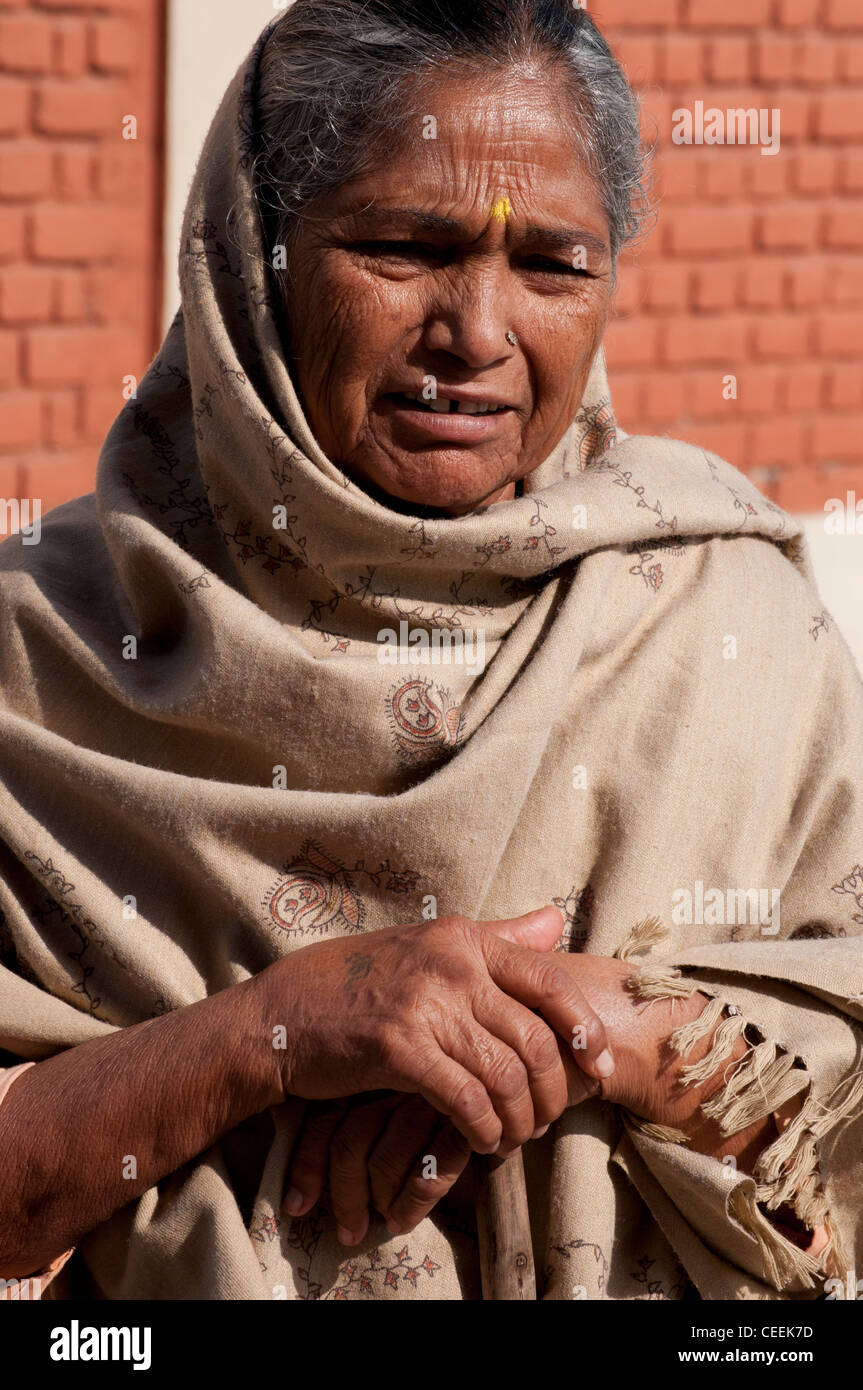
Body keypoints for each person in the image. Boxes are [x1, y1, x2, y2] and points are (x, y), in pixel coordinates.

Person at [0, 0, 860, 1302]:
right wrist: (267, 1038)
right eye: (404, 248)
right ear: (255, 255)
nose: (479, 332)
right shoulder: (46, 649)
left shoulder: (729, 627)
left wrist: (588, 1024)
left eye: (554, 264)